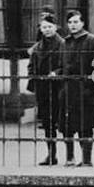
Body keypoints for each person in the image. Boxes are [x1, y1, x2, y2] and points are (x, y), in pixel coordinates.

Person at [58, 8, 94, 167]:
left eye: (76, 22)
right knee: (67, 126)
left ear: (82, 23)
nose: (72, 25)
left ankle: (86, 160)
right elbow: (61, 65)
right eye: (70, 22)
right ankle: (70, 158)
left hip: (86, 90)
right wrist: (57, 75)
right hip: (68, 90)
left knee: (85, 126)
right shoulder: (65, 42)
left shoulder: (91, 40)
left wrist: (91, 84)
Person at [25, 10, 65, 166]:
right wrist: (33, 77)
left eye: (49, 26)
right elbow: (30, 66)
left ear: (55, 27)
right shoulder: (37, 47)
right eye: (44, 27)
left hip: (59, 88)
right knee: (47, 124)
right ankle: (51, 155)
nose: (47, 30)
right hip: (43, 89)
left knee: (64, 123)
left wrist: (56, 72)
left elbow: (66, 65)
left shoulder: (63, 44)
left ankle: (70, 156)